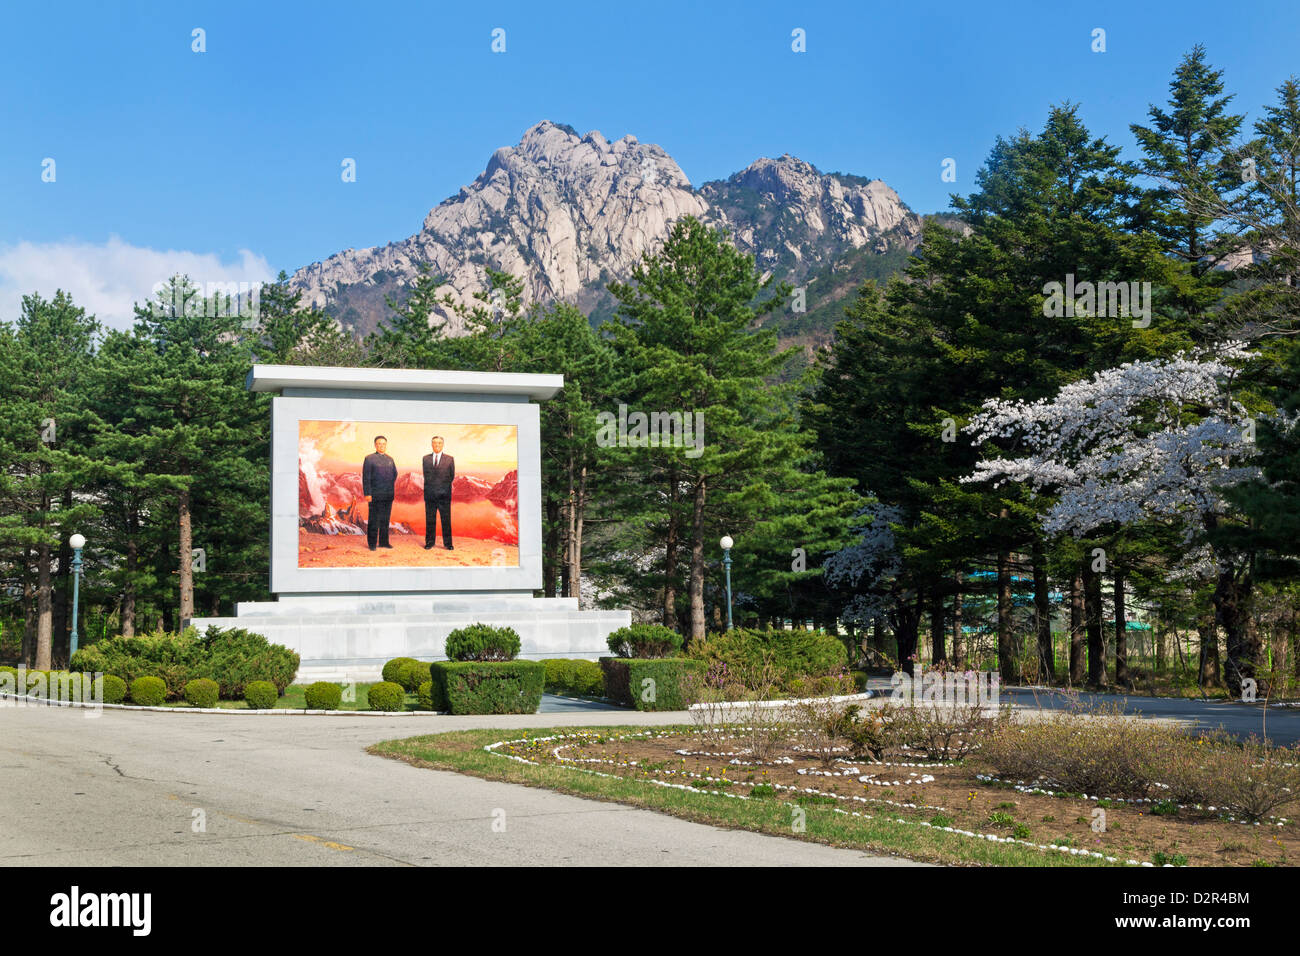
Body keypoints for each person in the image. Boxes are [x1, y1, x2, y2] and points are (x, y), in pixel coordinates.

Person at [361, 436, 397, 550]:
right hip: (374, 495)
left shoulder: (390, 459)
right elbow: (366, 478)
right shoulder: (369, 459)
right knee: (373, 520)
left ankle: (384, 542)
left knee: (385, 520)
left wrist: (388, 486)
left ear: (386, 445)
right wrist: (367, 493)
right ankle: (372, 544)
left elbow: (395, 474)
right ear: (375, 445)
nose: (381, 446)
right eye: (379, 444)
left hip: (388, 494)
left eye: (383, 444)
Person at [422, 435, 455, 550]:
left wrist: (443, 489)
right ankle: (429, 542)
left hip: (444, 496)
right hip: (430, 495)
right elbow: (426, 476)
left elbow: (451, 477)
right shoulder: (425, 459)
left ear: (443, 444)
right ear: (432, 445)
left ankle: (448, 544)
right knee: (430, 520)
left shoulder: (450, 459)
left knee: (446, 520)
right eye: (435, 443)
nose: (437, 445)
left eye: (439, 443)